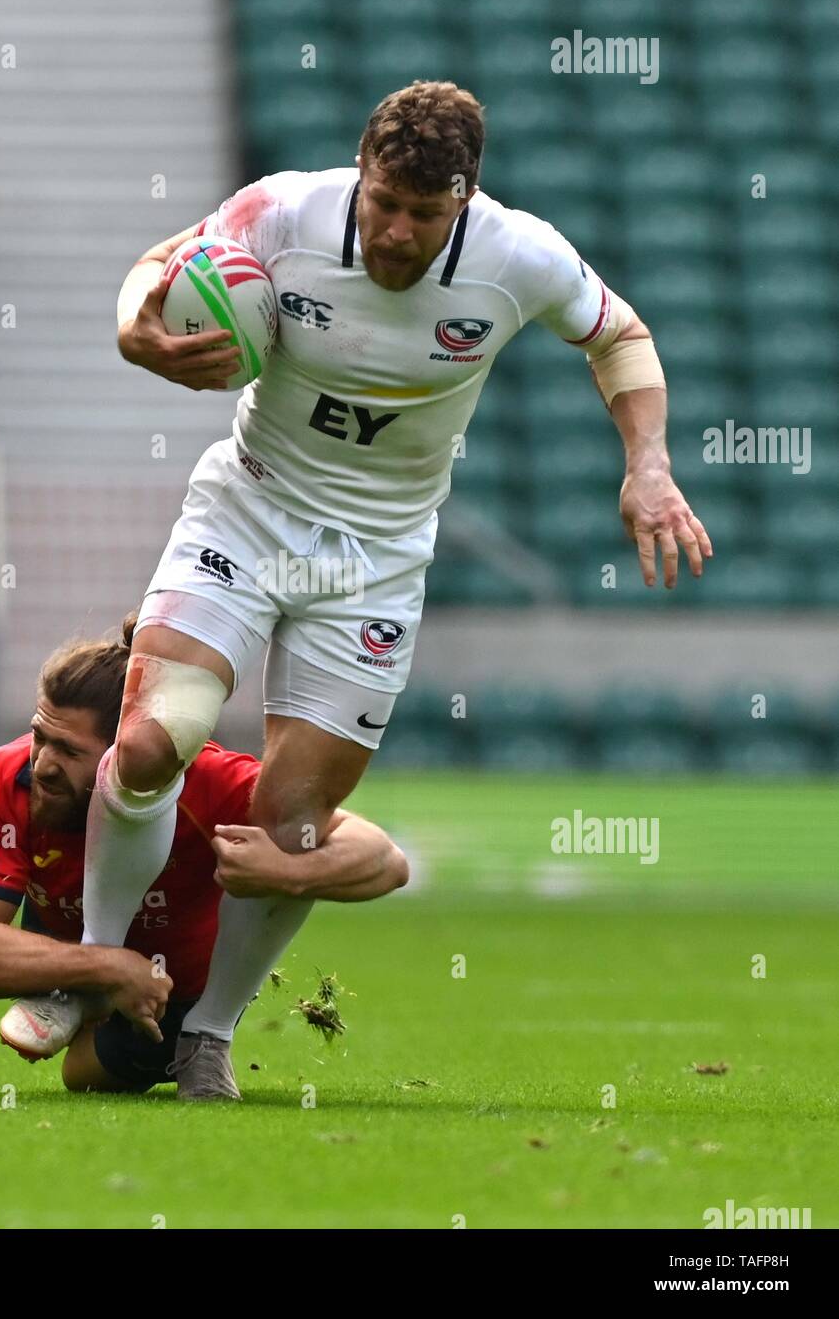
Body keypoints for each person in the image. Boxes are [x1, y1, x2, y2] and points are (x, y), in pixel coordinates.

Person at [89, 78, 712, 1100]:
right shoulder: (283, 209)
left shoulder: (521, 256)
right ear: (362, 172)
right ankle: (95, 966)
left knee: (292, 819)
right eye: (383, 201)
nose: (392, 228)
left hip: (375, 556)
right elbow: (165, 260)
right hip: (248, 511)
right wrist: (132, 325)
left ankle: (209, 1032)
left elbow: (619, 337)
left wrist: (646, 465)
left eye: (422, 214)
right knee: (157, 735)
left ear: (463, 202)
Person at [0, 618, 408, 1098]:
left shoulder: (211, 781)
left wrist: (287, 871)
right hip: (78, 953)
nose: (42, 764)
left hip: (177, 992)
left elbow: (386, 860)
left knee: (82, 1076)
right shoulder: (1, 777)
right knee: (79, 1046)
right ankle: (77, 985)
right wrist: (108, 967)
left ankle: (203, 1036)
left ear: (122, 755)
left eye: (69, 751)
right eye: (40, 735)